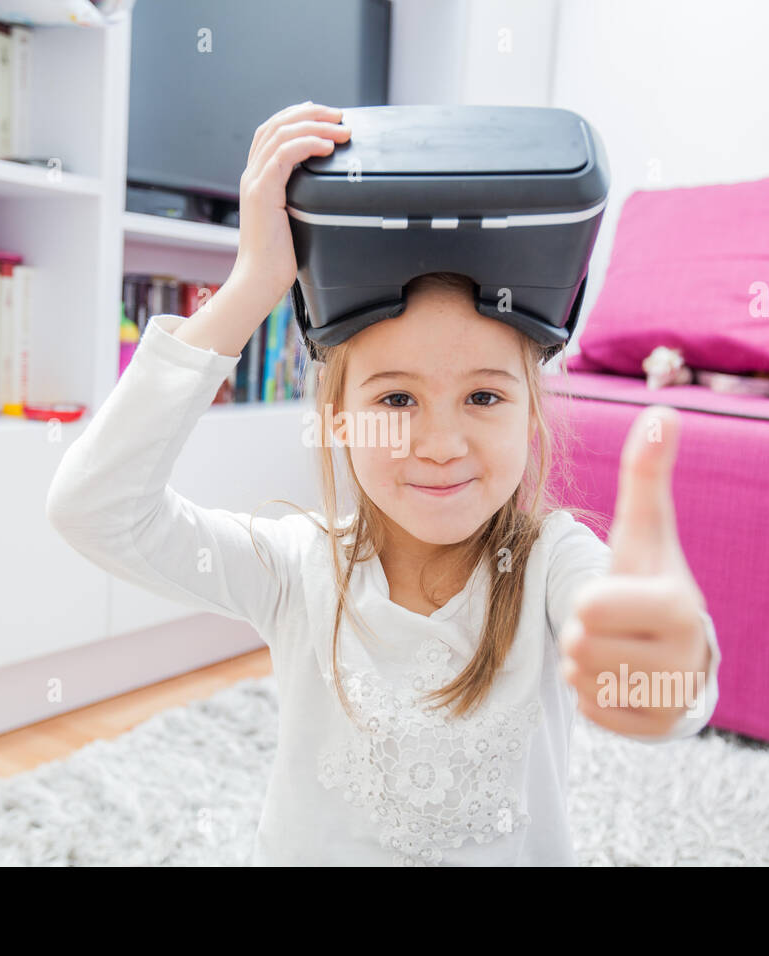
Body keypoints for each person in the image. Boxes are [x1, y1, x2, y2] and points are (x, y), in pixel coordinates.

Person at [45, 102, 721, 866]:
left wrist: (662, 668)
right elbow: (94, 510)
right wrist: (251, 283)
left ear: (532, 413)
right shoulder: (293, 567)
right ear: (337, 418)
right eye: (395, 400)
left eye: (484, 397)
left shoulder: (553, 564)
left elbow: (667, 695)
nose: (439, 444)